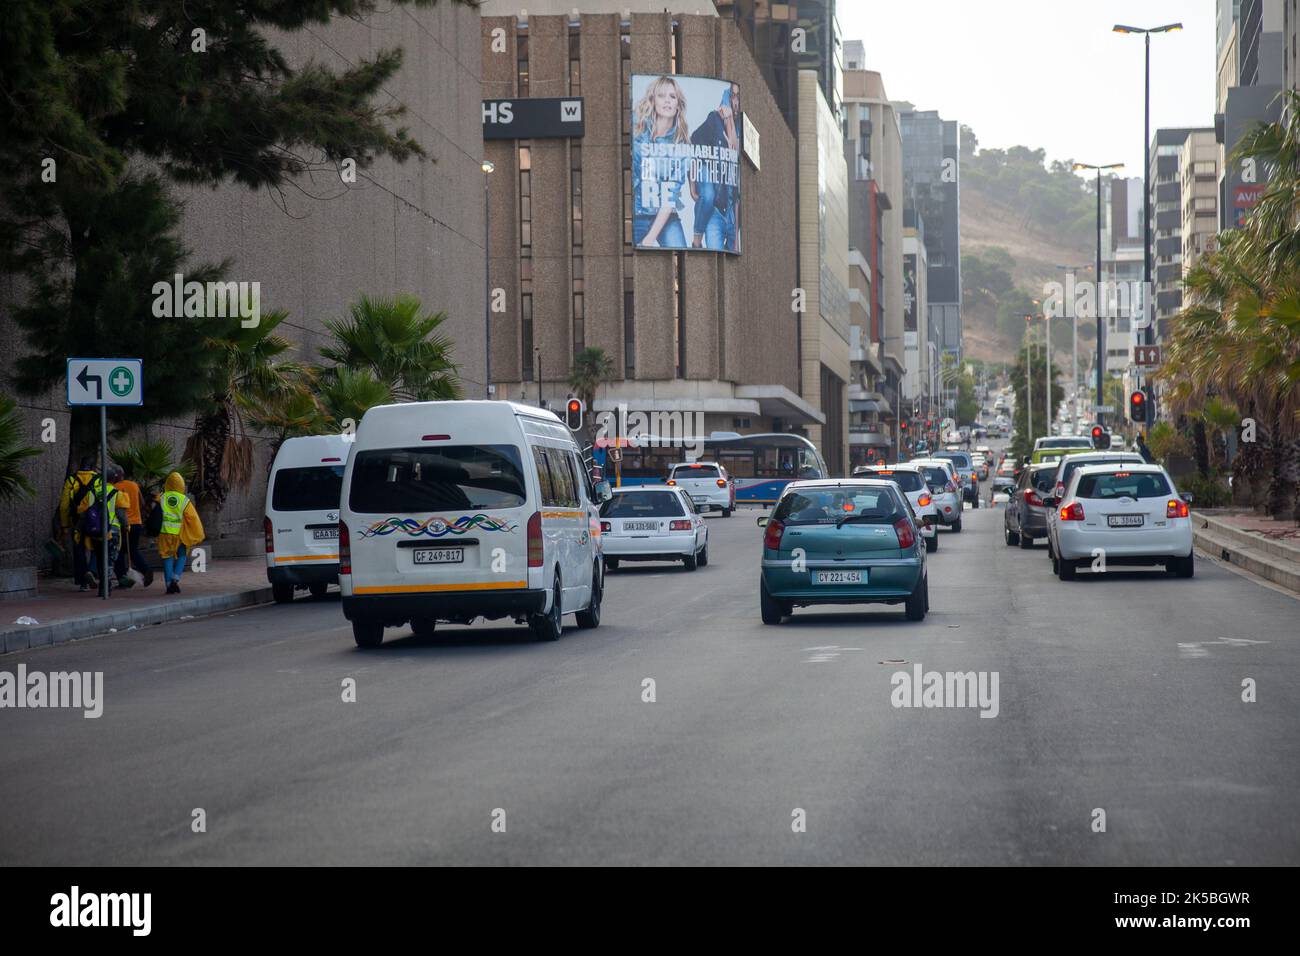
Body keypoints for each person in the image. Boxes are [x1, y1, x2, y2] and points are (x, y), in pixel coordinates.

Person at [631, 75, 691, 249]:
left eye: (672, 97)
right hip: (637, 212)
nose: (667, 101)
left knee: (683, 253)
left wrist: (650, 238)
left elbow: (670, 197)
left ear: (678, 105)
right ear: (653, 100)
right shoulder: (636, 125)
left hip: (665, 216)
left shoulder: (681, 145)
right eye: (661, 96)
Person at [688, 83, 740, 251]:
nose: (735, 101)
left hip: (731, 212)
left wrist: (730, 121)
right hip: (714, 203)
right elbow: (693, 142)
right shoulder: (714, 119)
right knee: (708, 195)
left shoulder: (739, 127)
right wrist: (692, 184)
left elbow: (735, 149)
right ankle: (696, 243)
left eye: (737, 97)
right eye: (732, 96)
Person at [82, 466, 127, 593]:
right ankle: (106, 586)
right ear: (114, 479)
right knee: (110, 559)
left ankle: (102, 585)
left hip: (96, 531)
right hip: (112, 531)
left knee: (100, 558)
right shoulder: (117, 494)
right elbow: (121, 513)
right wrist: (126, 525)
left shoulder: (92, 492)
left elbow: (82, 509)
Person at [157, 471, 204, 594]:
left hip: (164, 532)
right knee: (182, 555)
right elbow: (192, 518)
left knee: (167, 557)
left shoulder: (161, 497)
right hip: (180, 534)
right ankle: (175, 578)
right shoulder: (184, 500)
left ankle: (168, 585)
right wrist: (197, 533)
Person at [59, 455, 101, 589]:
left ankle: (83, 583)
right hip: (94, 519)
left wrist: (65, 525)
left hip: (77, 520)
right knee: (97, 547)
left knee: (79, 549)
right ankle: (92, 572)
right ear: (92, 467)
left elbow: (64, 505)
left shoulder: (71, 479)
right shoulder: (98, 479)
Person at [111, 464, 153, 587]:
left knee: (118, 552)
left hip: (123, 525)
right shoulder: (134, 485)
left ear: (116, 475)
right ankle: (146, 569)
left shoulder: (114, 488)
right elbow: (142, 503)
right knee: (133, 550)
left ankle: (123, 580)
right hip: (137, 523)